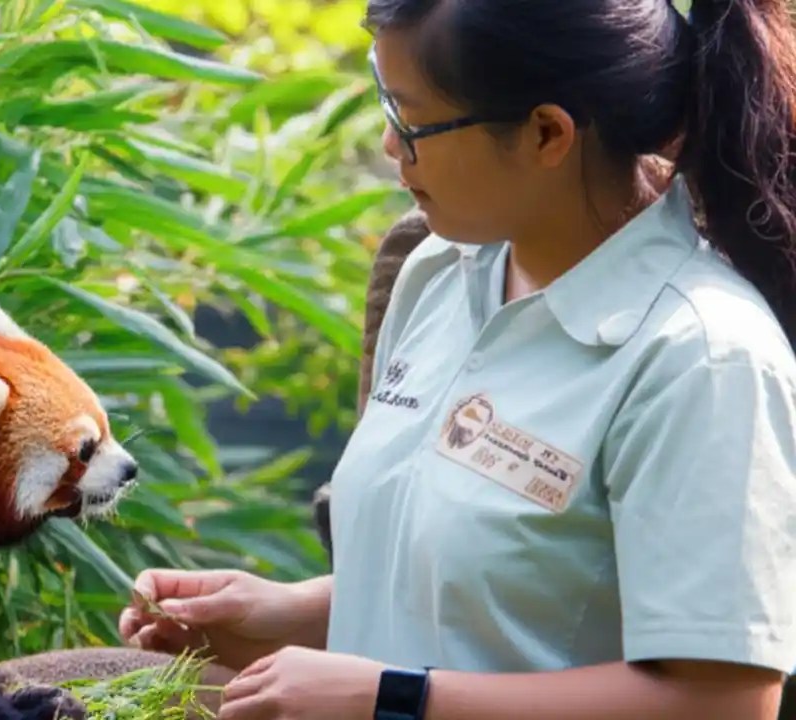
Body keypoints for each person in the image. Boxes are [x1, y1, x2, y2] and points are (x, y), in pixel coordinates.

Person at [118, 0, 796, 718]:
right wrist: (290, 613)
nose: (387, 143)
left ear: (546, 133)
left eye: (411, 123)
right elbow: (504, 597)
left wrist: (394, 700)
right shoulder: (441, 271)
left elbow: (719, 702)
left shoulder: (702, 360)